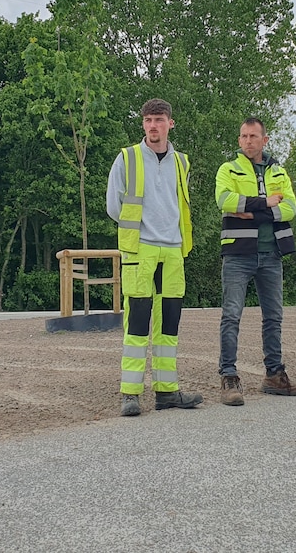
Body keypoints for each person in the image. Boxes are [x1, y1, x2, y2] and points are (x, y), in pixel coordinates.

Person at [106, 99, 203, 416]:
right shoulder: (128, 158)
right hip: (140, 249)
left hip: (173, 249)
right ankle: (130, 394)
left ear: (170, 123)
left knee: (169, 325)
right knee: (136, 323)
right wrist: (140, 230)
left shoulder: (181, 162)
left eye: (159, 119)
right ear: (143, 124)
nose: (152, 125)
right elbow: (113, 205)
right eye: (148, 120)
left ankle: (167, 392)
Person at [214, 118, 296, 405]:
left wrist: (253, 210)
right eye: (243, 136)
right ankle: (229, 377)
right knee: (231, 315)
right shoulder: (228, 169)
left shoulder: (279, 171)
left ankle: (275, 375)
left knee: (274, 317)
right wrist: (266, 202)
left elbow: (291, 207)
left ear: (264, 140)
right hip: (238, 253)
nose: (247, 141)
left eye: (253, 136)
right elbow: (225, 201)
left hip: (272, 253)